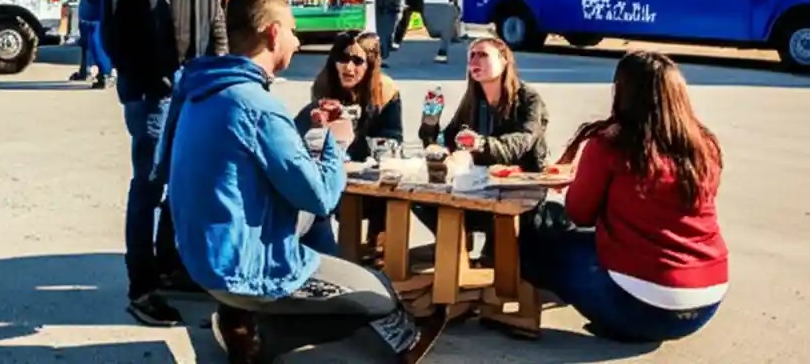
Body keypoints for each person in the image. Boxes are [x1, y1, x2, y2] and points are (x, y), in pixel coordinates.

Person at [160, 0, 440, 363]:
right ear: (273, 33)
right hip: (243, 267)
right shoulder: (257, 105)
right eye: (292, 31)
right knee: (380, 294)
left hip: (200, 255)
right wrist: (336, 142)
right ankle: (271, 331)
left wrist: (305, 135)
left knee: (314, 225)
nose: (295, 41)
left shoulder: (199, 89)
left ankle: (257, 321)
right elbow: (322, 196)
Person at [520, 51, 728, 342]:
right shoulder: (703, 144)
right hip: (708, 297)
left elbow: (579, 213)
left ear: (624, 92)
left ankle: (616, 317)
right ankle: (619, 317)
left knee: (535, 240)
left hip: (644, 304)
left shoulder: (611, 145)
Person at [100, 0, 229, 326]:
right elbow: (110, 34)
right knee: (149, 186)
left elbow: (215, 21)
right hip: (150, 94)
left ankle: (172, 268)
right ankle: (143, 287)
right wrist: (146, 78)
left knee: (185, 182)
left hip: (194, 88)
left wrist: (219, 74)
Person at [415, 36, 549, 264]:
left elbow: (521, 141)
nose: (475, 60)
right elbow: (446, 142)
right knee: (420, 200)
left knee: (502, 259)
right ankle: (456, 249)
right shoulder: (473, 100)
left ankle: (482, 259)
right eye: (472, 56)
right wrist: (430, 123)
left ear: (504, 61)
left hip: (520, 189)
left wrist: (481, 144)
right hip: (480, 186)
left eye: (483, 54)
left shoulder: (528, 99)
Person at [292, 30, 402, 256]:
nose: (348, 68)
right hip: (333, 169)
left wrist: (362, 145)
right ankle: (324, 252)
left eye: (357, 61)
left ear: (370, 63)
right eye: (342, 58)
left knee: (391, 194)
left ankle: (380, 251)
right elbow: (307, 138)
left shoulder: (385, 90)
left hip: (370, 169)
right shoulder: (324, 85)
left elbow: (393, 138)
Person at [77, 0, 113, 89]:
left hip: (95, 18)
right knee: (93, 44)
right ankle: (101, 72)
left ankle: (104, 73)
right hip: (92, 18)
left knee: (97, 44)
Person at [68, 0, 95, 82]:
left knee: (86, 45)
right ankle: (87, 70)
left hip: (85, 17)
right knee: (90, 45)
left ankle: (85, 71)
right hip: (91, 16)